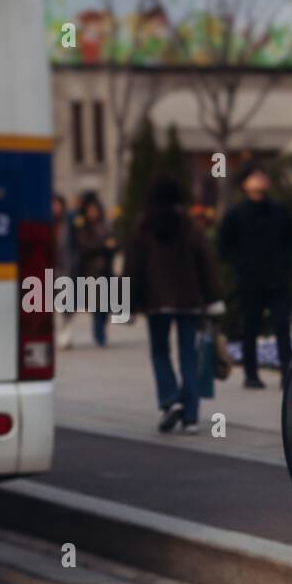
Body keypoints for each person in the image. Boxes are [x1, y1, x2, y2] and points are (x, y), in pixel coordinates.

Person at [126, 176, 219, 435]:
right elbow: (206, 264)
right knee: (188, 355)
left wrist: (126, 304)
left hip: (156, 303)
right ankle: (191, 417)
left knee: (159, 352)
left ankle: (170, 400)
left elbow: (132, 269)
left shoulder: (143, 228)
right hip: (189, 301)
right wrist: (213, 298)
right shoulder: (190, 226)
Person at [217, 163, 292, 389]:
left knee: (283, 327)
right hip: (250, 281)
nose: (260, 179)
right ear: (244, 184)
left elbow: (291, 241)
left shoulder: (279, 211)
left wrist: (286, 265)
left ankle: (287, 373)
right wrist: (241, 265)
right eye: (254, 176)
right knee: (250, 327)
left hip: (278, 279)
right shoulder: (236, 214)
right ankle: (251, 374)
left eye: (262, 175)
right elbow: (224, 246)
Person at [72, 191, 117, 348]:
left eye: (95, 210)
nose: (93, 213)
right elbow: (83, 247)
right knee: (98, 305)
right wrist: (104, 245)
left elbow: (115, 243)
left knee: (107, 306)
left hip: (106, 271)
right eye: (90, 210)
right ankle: (99, 334)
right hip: (91, 271)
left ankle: (101, 330)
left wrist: (112, 246)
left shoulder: (105, 225)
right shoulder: (82, 226)